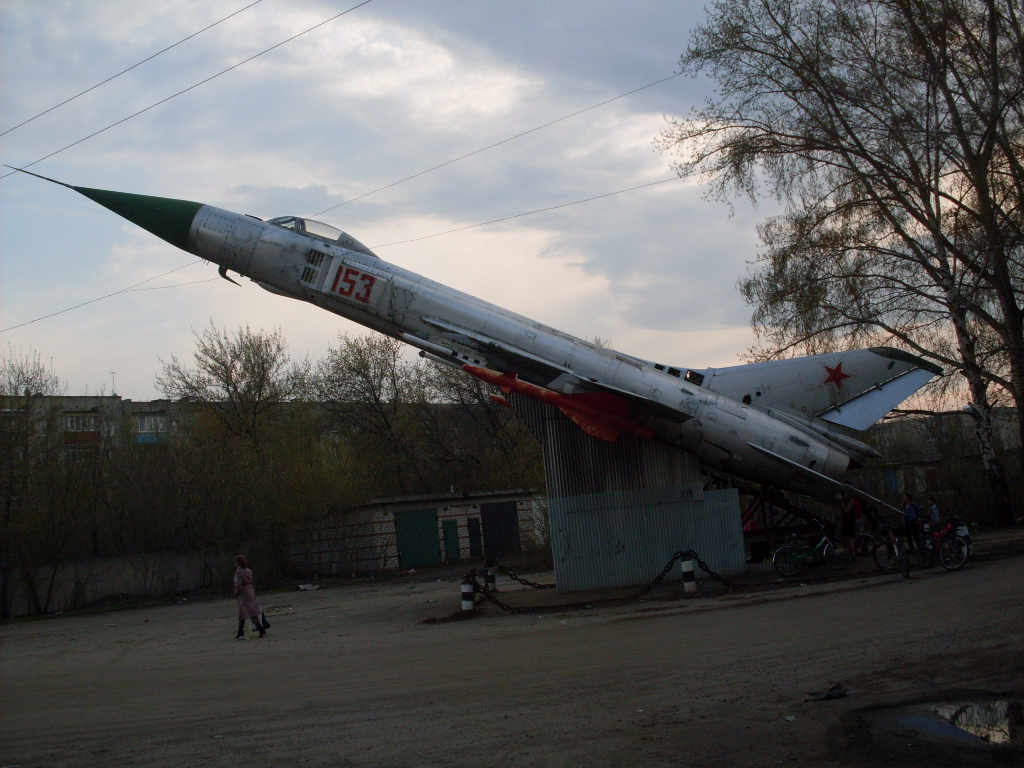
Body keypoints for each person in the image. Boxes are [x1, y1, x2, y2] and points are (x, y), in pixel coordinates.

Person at [233, 555, 267, 639]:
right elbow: (251, 582)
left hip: (243, 593)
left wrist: (236, 593)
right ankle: (240, 631)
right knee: (245, 612)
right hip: (250, 591)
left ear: (237, 563)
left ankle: (260, 628)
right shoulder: (248, 570)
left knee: (248, 612)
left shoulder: (239, 572)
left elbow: (238, 584)